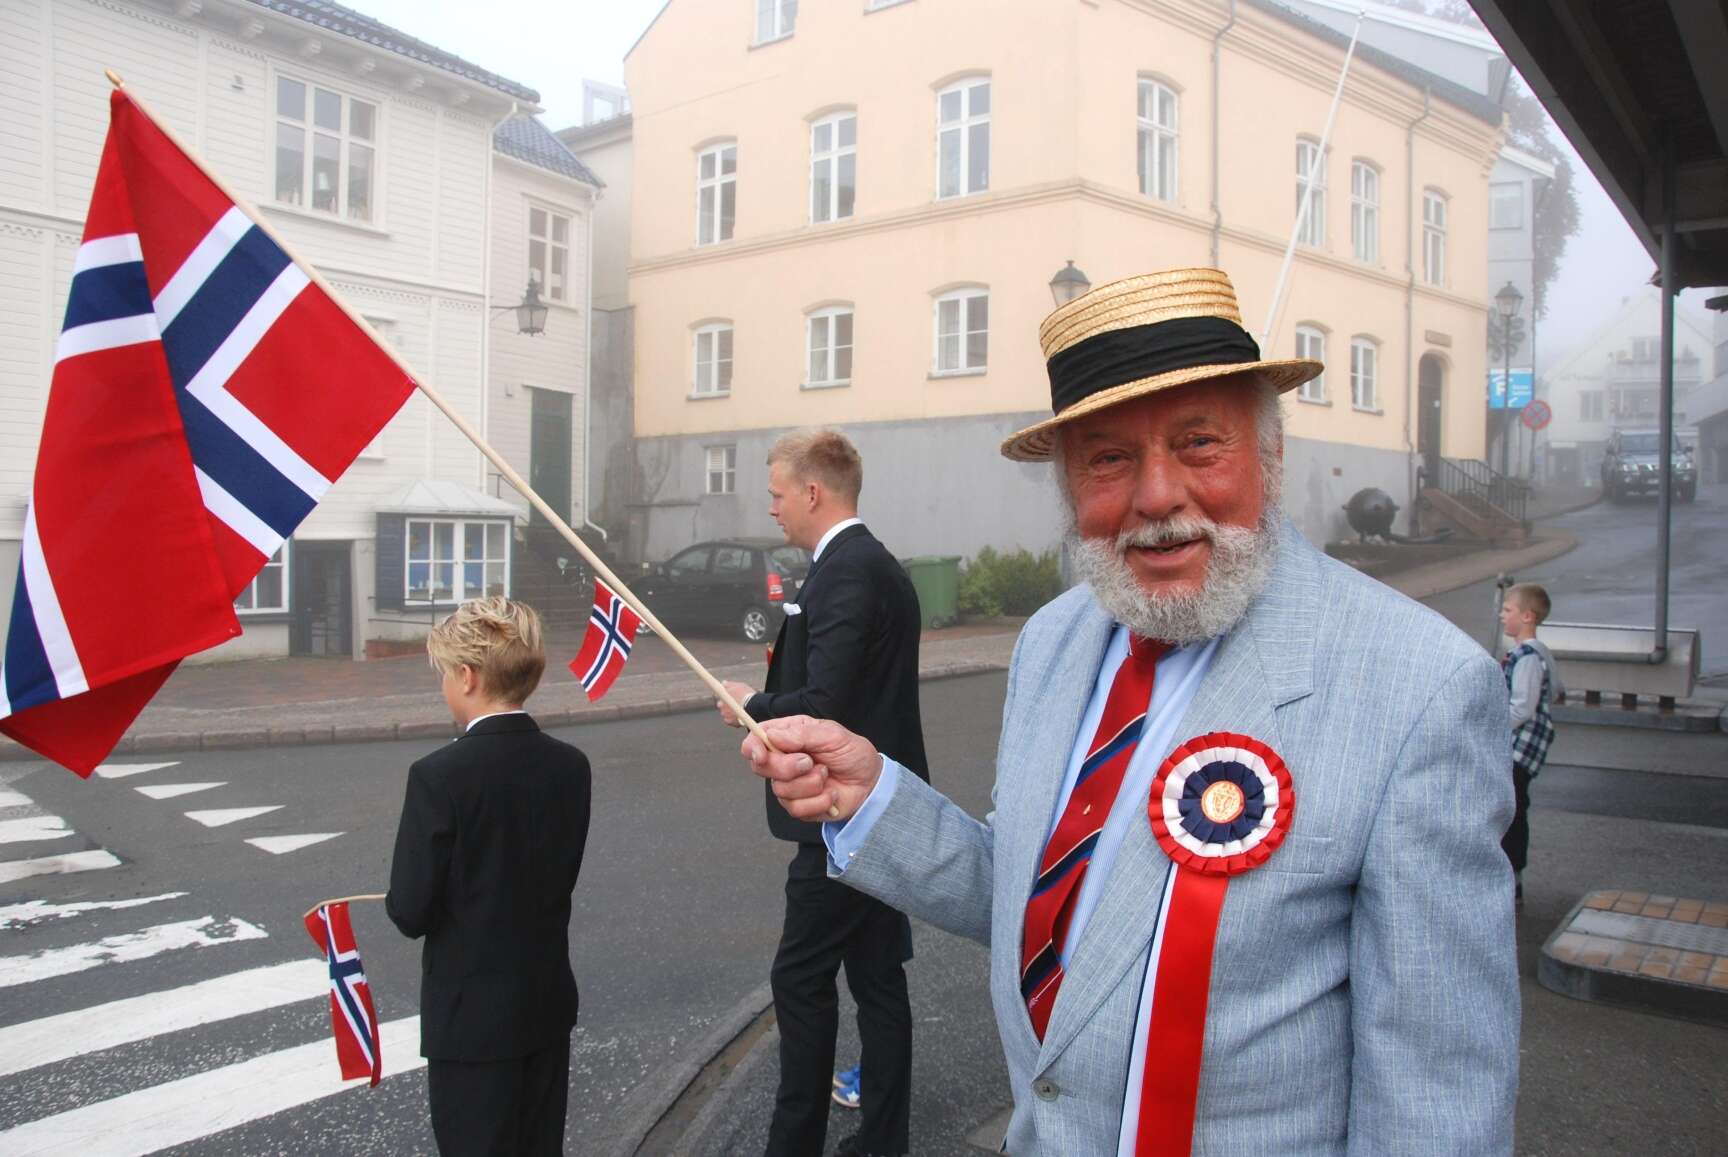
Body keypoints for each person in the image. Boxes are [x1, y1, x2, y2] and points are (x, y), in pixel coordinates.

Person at [743, 269, 1519, 1155]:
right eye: (1109, 458)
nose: (1155, 497)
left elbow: (1437, 1106)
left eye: (1199, 443)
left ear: (1268, 455)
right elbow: (1045, 901)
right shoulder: (1054, 641)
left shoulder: (1422, 687)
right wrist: (875, 795)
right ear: (1072, 487)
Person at [718, 428, 926, 1157]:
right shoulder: (872, 565)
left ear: (812, 491)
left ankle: (794, 1142)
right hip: (883, 807)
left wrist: (754, 703)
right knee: (876, 976)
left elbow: (828, 698)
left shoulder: (847, 571)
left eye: (776, 493)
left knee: (801, 980)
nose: (771, 507)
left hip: (844, 818)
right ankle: (882, 1140)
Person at [386, 597, 592, 1157]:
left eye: (446, 675)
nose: (444, 687)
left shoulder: (438, 776)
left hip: (472, 1019)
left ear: (469, 677)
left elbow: (410, 909)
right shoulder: (570, 765)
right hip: (544, 1000)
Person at [1499, 581, 1562, 903]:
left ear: (1527, 616)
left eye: (1508, 610)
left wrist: (1492, 727)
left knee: (1512, 813)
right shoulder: (1536, 654)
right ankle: (1511, 877)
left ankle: (1513, 880)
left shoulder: (1526, 657)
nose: (1501, 615)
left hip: (1518, 749)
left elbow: (1522, 706)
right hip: (1521, 749)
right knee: (1512, 810)